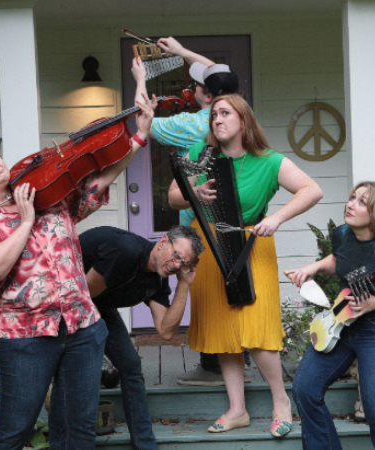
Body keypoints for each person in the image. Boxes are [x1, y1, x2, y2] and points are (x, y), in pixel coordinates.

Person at [0, 93, 155, 450]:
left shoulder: (51, 198)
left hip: (81, 327)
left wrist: (138, 138)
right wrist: (26, 220)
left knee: (78, 431)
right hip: (25, 338)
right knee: (14, 431)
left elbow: (98, 182)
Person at [168, 93, 323, 437]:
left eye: (225, 113)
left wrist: (279, 217)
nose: (217, 120)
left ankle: (281, 401)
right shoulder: (200, 155)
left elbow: (312, 190)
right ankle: (237, 409)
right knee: (225, 331)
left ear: (243, 120)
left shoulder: (268, 160)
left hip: (251, 246)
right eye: (213, 115)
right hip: (208, 246)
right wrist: (197, 193)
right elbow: (173, 197)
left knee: (256, 330)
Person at [132, 36, 248, 387]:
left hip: (200, 222)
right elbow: (217, 74)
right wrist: (182, 52)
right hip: (232, 219)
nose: (191, 88)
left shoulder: (196, 125)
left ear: (207, 96)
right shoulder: (236, 111)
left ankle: (212, 366)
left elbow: (144, 121)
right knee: (229, 292)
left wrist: (139, 78)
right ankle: (227, 361)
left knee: (207, 293)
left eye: (196, 86)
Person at [287, 181, 375, 450]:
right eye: (352, 197)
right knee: (305, 389)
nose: (350, 204)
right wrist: (314, 267)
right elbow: (340, 259)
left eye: (362, 202)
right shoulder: (342, 234)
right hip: (341, 323)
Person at [71, 225, 204, 450]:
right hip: (67, 299)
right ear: (163, 242)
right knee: (87, 369)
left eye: (184, 263)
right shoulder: (126, 251)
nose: (177, 266)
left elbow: (166, 330)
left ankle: (145, 444)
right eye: (177, 256)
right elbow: (81, 297)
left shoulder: (158, 278)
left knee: (131, 365)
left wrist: (184, 284)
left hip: (98, 304)